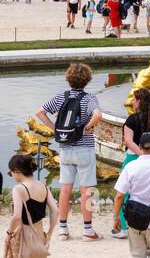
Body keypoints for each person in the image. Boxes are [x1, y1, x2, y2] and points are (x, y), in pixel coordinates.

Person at [36, 63, 104, 242]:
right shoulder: (89, 98)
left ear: (69, 79)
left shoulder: (61, 97)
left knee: (65, 190)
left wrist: (55, 129)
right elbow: (98, 115)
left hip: (65, 149)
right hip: (84, 148)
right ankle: (88, 230)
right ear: (87, 80)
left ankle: (63, 229)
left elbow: (40, 112)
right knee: (86, 191)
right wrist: (87, 128)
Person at [113, 88, 150, 238]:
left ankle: (123, 227)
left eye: (134, 99)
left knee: (125, 192)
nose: (132, 102)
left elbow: (128, 140)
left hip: (133, 157)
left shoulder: (132, 119)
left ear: (139, 101)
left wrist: (142, 154)